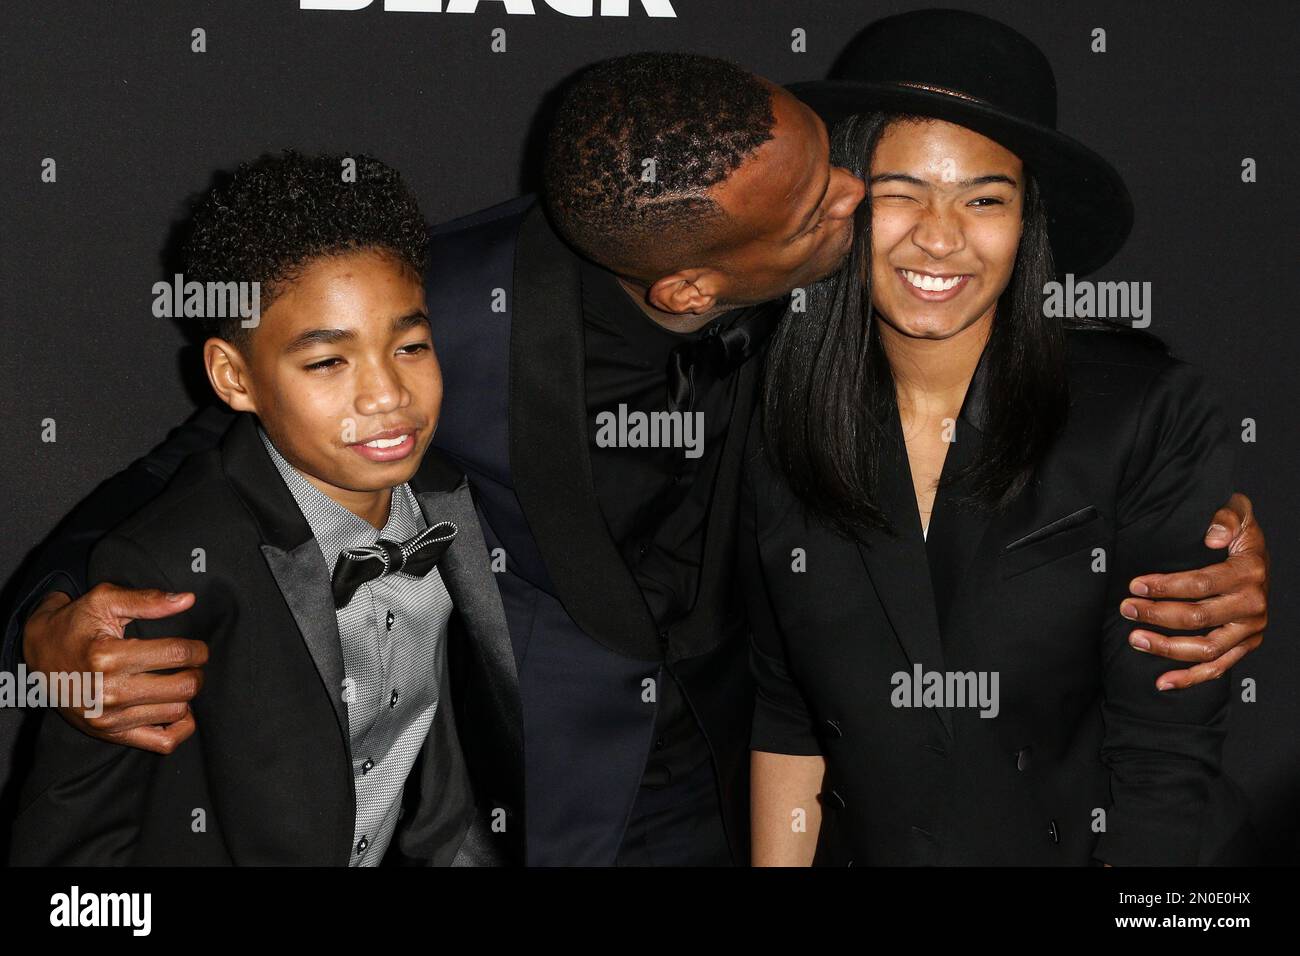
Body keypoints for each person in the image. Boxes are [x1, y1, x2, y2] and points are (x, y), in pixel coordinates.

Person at [2, 51, 1270, 866]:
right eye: (836, 197)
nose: (857, 203)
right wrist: (48, 624)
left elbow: (1053, 388)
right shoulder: (432, 318)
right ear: (691, 280)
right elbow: (199, 465)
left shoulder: (833, 288)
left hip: (742, 783)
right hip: (527, 803)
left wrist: (1187, 525)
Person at [746, 10, 1258, 866]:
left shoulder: (1147, 414)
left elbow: (1162, 761)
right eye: (900, 191)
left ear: (1029, 226)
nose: (940, 236)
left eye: (985, 198)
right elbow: (785, 714)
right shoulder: (770, 416)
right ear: (841, 204)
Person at [8, 152, 522, 865]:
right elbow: (69, 850)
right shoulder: (172, 566)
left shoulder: (462, 503)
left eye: (410, 345)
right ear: (232, 376)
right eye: (327, 362)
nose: (385, 394)